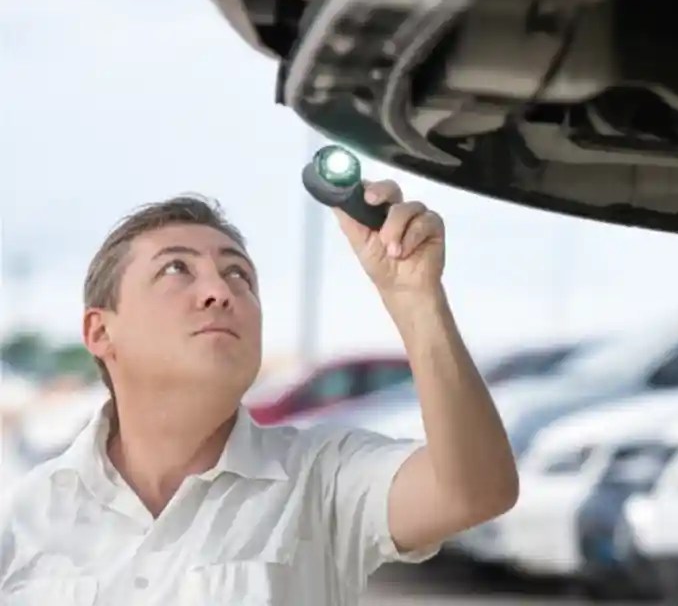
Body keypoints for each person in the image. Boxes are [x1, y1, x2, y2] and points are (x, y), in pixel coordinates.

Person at [0, 181, 520, 605]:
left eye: (238, 274)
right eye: (176, 268)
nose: (220, 291)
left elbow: (475, 490)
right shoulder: (25, 514)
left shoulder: (320, 477)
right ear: (100, 332)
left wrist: (416, 298)